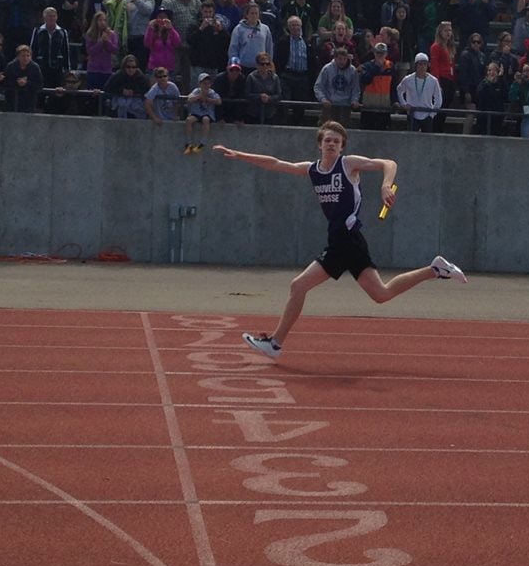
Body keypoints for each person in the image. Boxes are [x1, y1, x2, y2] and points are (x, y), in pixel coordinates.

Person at [214, 121, 467, 358]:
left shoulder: (348, 165)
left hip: (345, 241)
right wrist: (240, 155)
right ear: (320, 144)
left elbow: (388, 163)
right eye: (327, 141)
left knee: (298, 286)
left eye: (336, 141)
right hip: (348, 242)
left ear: (342, 145)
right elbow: (277, 163)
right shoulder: (312, 170)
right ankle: (435, 269)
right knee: (381, 294)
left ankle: (275, 343)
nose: (332, 144)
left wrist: (385, 186)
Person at [183, 72, 220, 153]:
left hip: (207, 113)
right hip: (196, 113)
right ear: (200, 84)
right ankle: (189, 143)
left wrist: (208, 99)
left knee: (206, 120)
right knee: (189, 120)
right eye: (204, 83)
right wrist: (199, 96)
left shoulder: (211, 92)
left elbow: (219, 101)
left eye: (208, 83)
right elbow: (189, 99)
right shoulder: (196, 91)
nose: (206, 85)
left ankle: (202, 143)